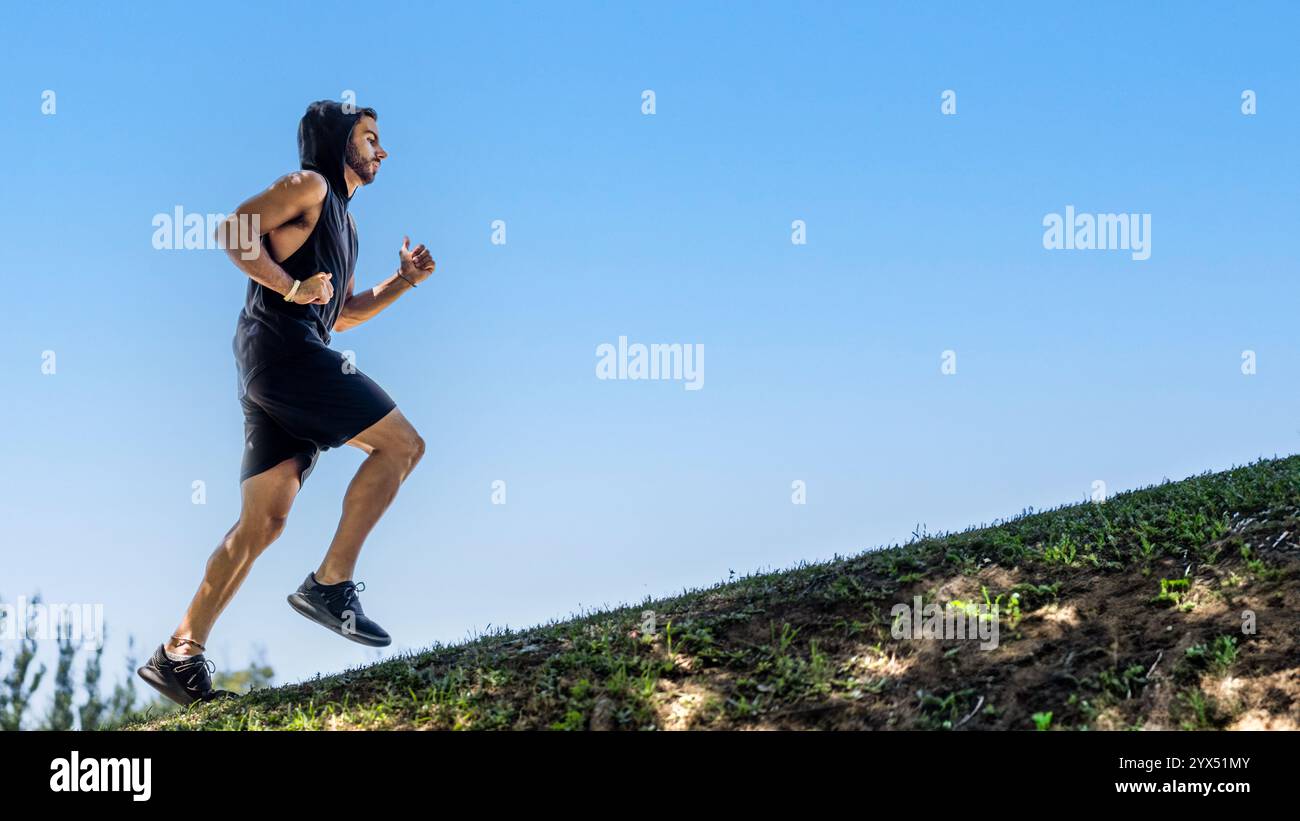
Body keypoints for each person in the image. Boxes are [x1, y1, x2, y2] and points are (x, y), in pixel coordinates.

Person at [138, 100, 436, 706]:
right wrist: (291, 285)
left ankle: (178, 654)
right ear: (337, 141)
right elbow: (232, 230)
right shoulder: (310, 186)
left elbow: (342, 313)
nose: (382, 150)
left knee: (263, 523)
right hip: (285, 354)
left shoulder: (346, 226)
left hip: (273, 366)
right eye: (370, 137)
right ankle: (331, 585)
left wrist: (401, 282)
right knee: (402, 445)